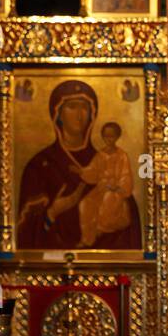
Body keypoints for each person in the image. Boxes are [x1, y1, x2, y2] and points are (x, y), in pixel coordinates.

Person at [17, 81, 141, 250]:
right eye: (72, 107)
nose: (79, 114)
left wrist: (117, 200)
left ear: (92, 114)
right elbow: (25, 233)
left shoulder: (106, 158)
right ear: (58, 114)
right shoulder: (40, 165)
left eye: (84, 108)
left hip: (105, 266)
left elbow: (131, 228)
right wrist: (53, 212)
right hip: (51, 264)